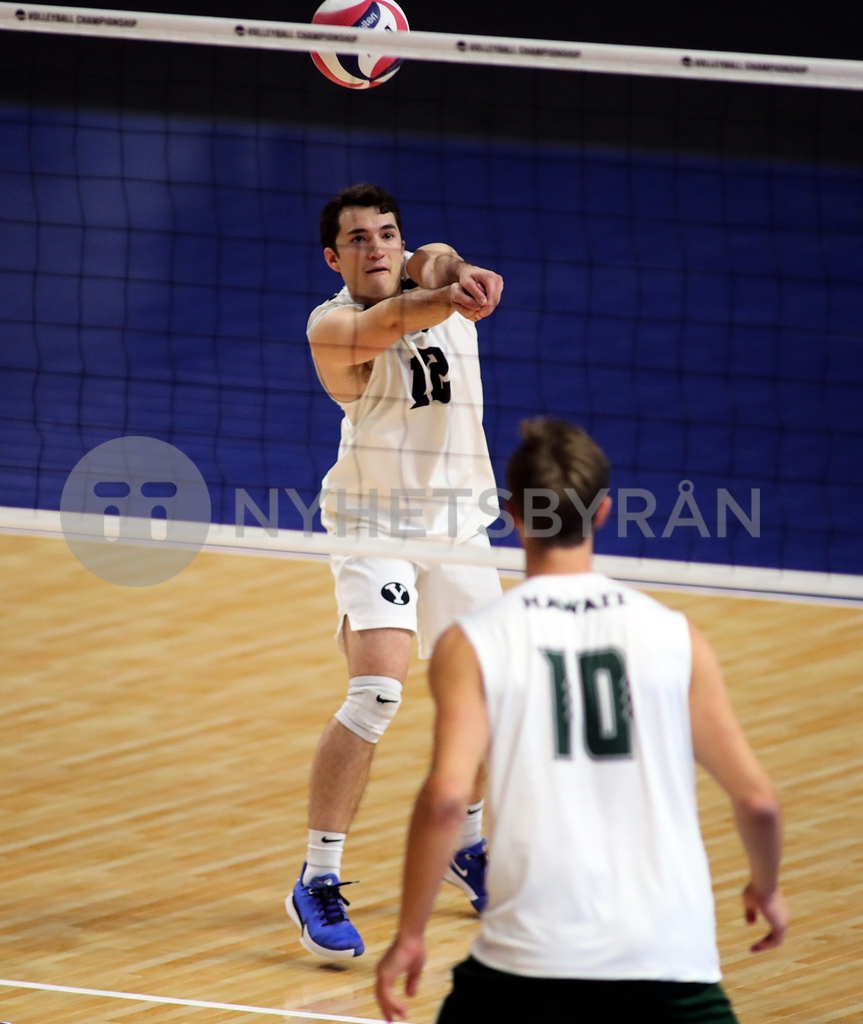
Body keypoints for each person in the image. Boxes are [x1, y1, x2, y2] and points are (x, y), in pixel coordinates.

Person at [376, 417, 789, 1023]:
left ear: (510, 514)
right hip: (669, 962)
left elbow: (446, 799)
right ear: (602, 514)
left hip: (528, 969)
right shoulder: (676, 637)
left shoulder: (474, 643)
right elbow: (759, 802)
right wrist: (767, 887)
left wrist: (410, 935)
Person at [285, 183, 506, 960]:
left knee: (482, 694)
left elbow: (436, 258)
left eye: (386, 235)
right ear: (333, 257)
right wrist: (452, 289)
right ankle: (316, 876)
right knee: (377, 692)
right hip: (373, 524)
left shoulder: (431, 272)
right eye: (357, 239)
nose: (375, 247)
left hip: (458, 526)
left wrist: (459, 266)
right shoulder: (334, 325)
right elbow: (396, 316)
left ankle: (466, 845)